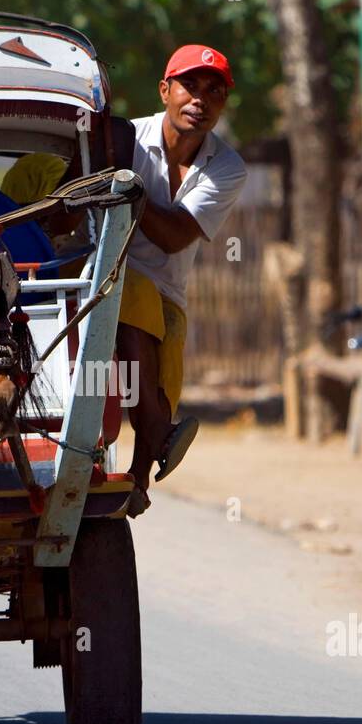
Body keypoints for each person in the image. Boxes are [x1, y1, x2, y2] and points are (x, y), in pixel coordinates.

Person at [118, 44, 248, 516]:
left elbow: (174, 238)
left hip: (168, 291)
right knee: (151, 397)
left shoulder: (227, 167)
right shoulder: (125, 138)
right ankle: (143, 450)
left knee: (166, 374)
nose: (201, 99)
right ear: (165, 90)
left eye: (215, 91)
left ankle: (139, 471)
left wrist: (126, 190)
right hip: (105, 278)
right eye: (190, 85)